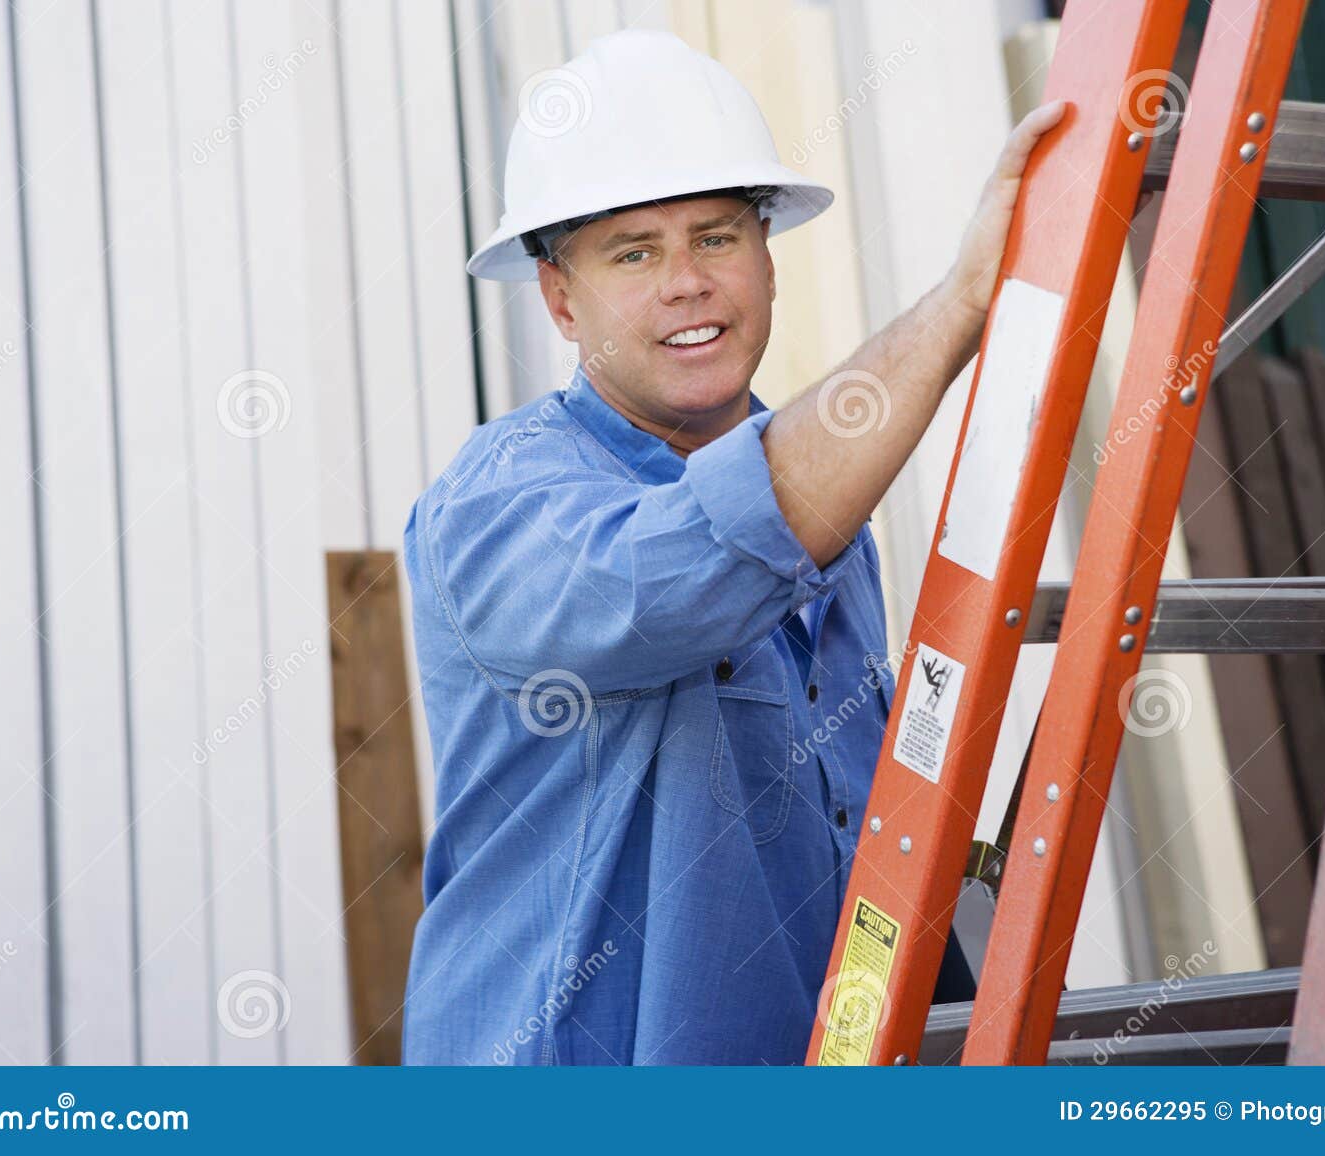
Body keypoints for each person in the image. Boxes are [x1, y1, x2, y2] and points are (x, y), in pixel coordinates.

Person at [400, 27, 1066, 1065]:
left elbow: (860, 832)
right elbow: (675, 577)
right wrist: (957, 309)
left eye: (715, 237)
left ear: (764, 257)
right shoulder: (500, 505)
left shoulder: (827, 521)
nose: (687, 283)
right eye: (634, 251)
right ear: (560, 299)